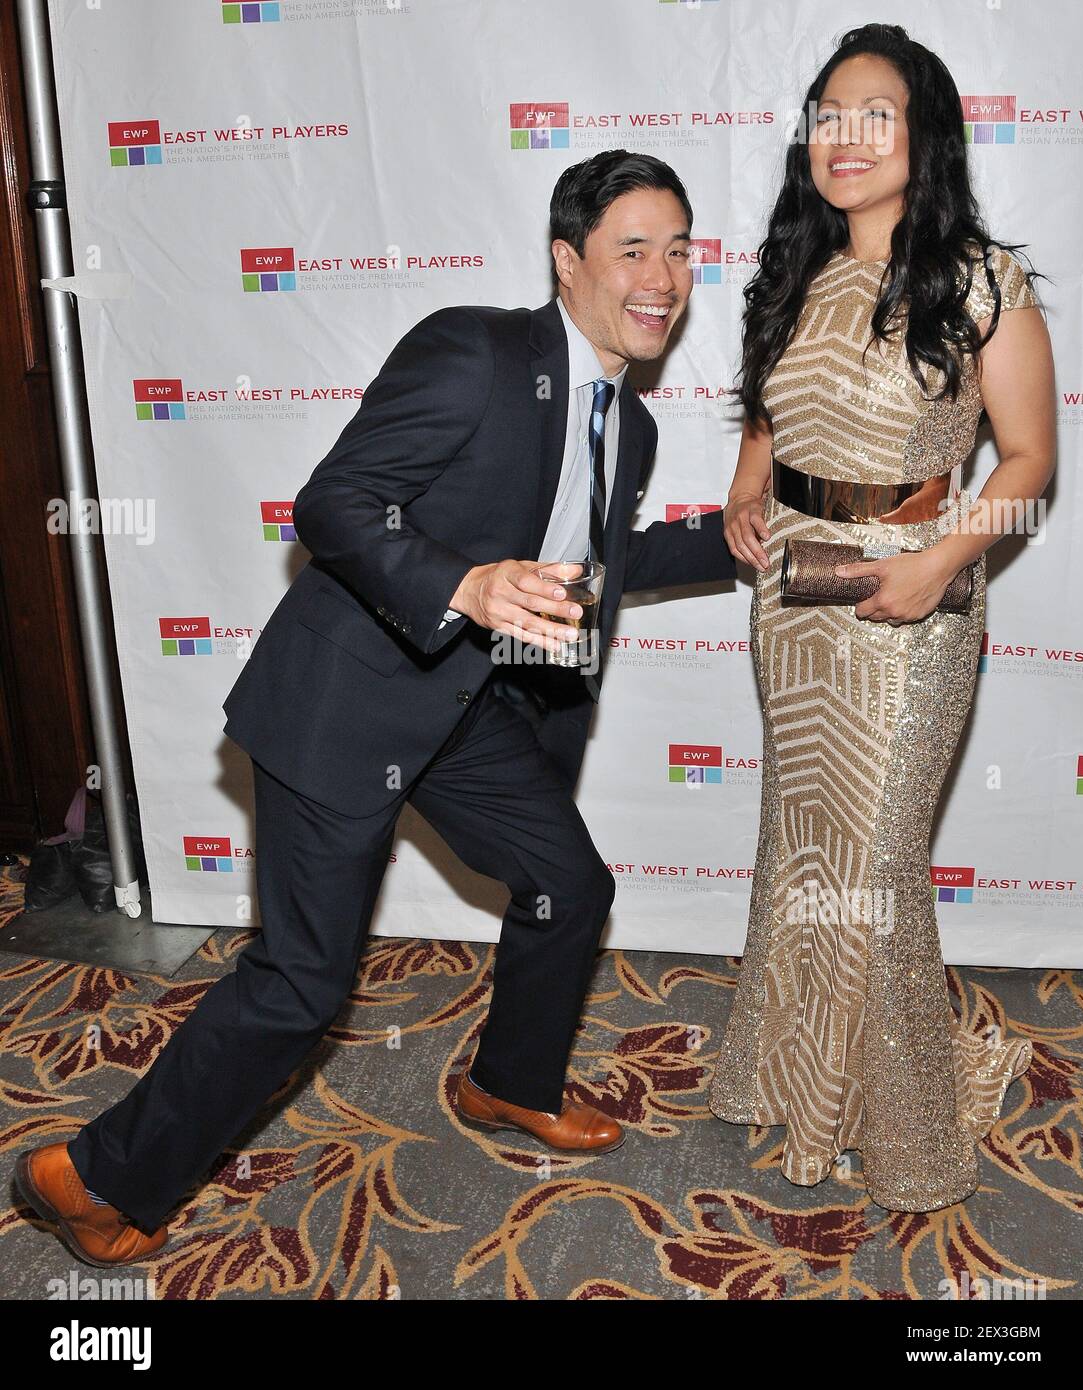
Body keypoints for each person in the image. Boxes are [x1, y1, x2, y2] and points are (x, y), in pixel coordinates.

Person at [16, 150, 736, 1266]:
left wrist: (724, 541)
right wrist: (463, 583)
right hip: (346, 703)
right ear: (566, 260)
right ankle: (93, 1171)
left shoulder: (625, 428)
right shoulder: (477, 351)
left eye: (679, 250)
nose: (661, 276)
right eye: (630, 249)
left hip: (460, 707)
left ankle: (509, 1081)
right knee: (302, 987)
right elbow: (332, 503)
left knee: (569, 882)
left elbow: (589, 556)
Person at [708, 23, 1054, 1212]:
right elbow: (767, 409)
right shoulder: (793, 268)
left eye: (872, 114)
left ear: (923, 136)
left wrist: (935, 560)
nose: (842, 138)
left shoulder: (975, 275)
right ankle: (804, 1080)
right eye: (826, 114)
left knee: (875, 865)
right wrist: (748, 489)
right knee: (803, 846)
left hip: (910, 603)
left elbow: (1028, 464)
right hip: (793, 606)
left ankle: (903, 1132)